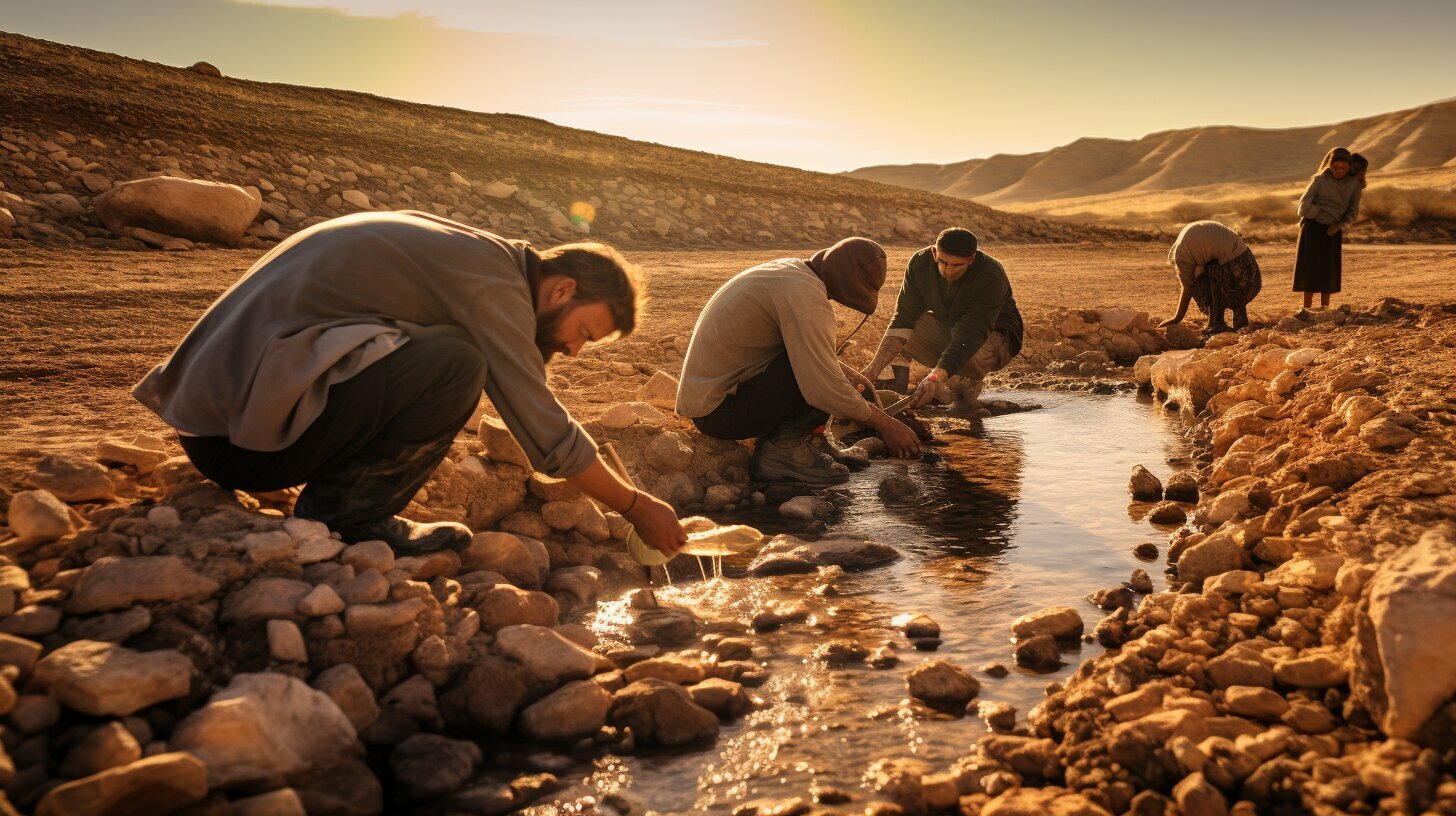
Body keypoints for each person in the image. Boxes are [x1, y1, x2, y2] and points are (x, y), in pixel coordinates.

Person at [133, 210, 687, 557]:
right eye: (585, 333)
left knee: (443, 352)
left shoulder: (473, 257)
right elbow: (544, 430)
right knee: (456, 363)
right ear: (562, 290)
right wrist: (635, 506)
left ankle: (339, 498)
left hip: (215, 430)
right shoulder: (496, 287)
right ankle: (349, 516)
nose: (574, 349)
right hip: (235, 452)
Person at [676, 237, 922, 486]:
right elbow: (824, 386)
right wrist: (887, 425)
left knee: (823, 366)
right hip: (718, 414)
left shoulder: (793, 271)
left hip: (712, 400)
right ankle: (782, 452)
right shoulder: (805, 298)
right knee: (819, 376)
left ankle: (810, 441)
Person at [861, 227, 1023, 410]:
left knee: (962, 355)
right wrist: (871, 372)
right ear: (934, 252)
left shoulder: (991, 275)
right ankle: (899, 393)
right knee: (901, 334)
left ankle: (965, 388)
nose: (948, 271)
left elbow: (970, 335)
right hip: (951, 328)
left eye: (957, 265)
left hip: (995, 339)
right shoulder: (919, 263)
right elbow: (903, 318)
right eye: (943, 262)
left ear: (971, 259)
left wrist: (934, 378)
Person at [1159, 220, 1262, 335]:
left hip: (1243, 275)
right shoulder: (1190, 249)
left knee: (1205, 276)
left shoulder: (1182, 258)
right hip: (1251, 271)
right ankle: (1237, 320)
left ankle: (1217, 323)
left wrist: (1176, 319)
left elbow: (1187, 290)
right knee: (1212, 267)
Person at [1293, 146, 1362, 309]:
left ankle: (1325, 309)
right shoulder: (1319, 179)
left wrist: (1340, 224)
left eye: (1343, 168)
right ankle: (1307, 309)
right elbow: (1302, 206)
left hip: (1333, 230)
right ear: (1329, 165)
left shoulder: (1354, 185)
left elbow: (1353, 211)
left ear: (1349, 167)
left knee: (1328, 270)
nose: (1339, 171)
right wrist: (1321, 214)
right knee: (1309, 268)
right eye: (1335, 167)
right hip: (1311, 227)